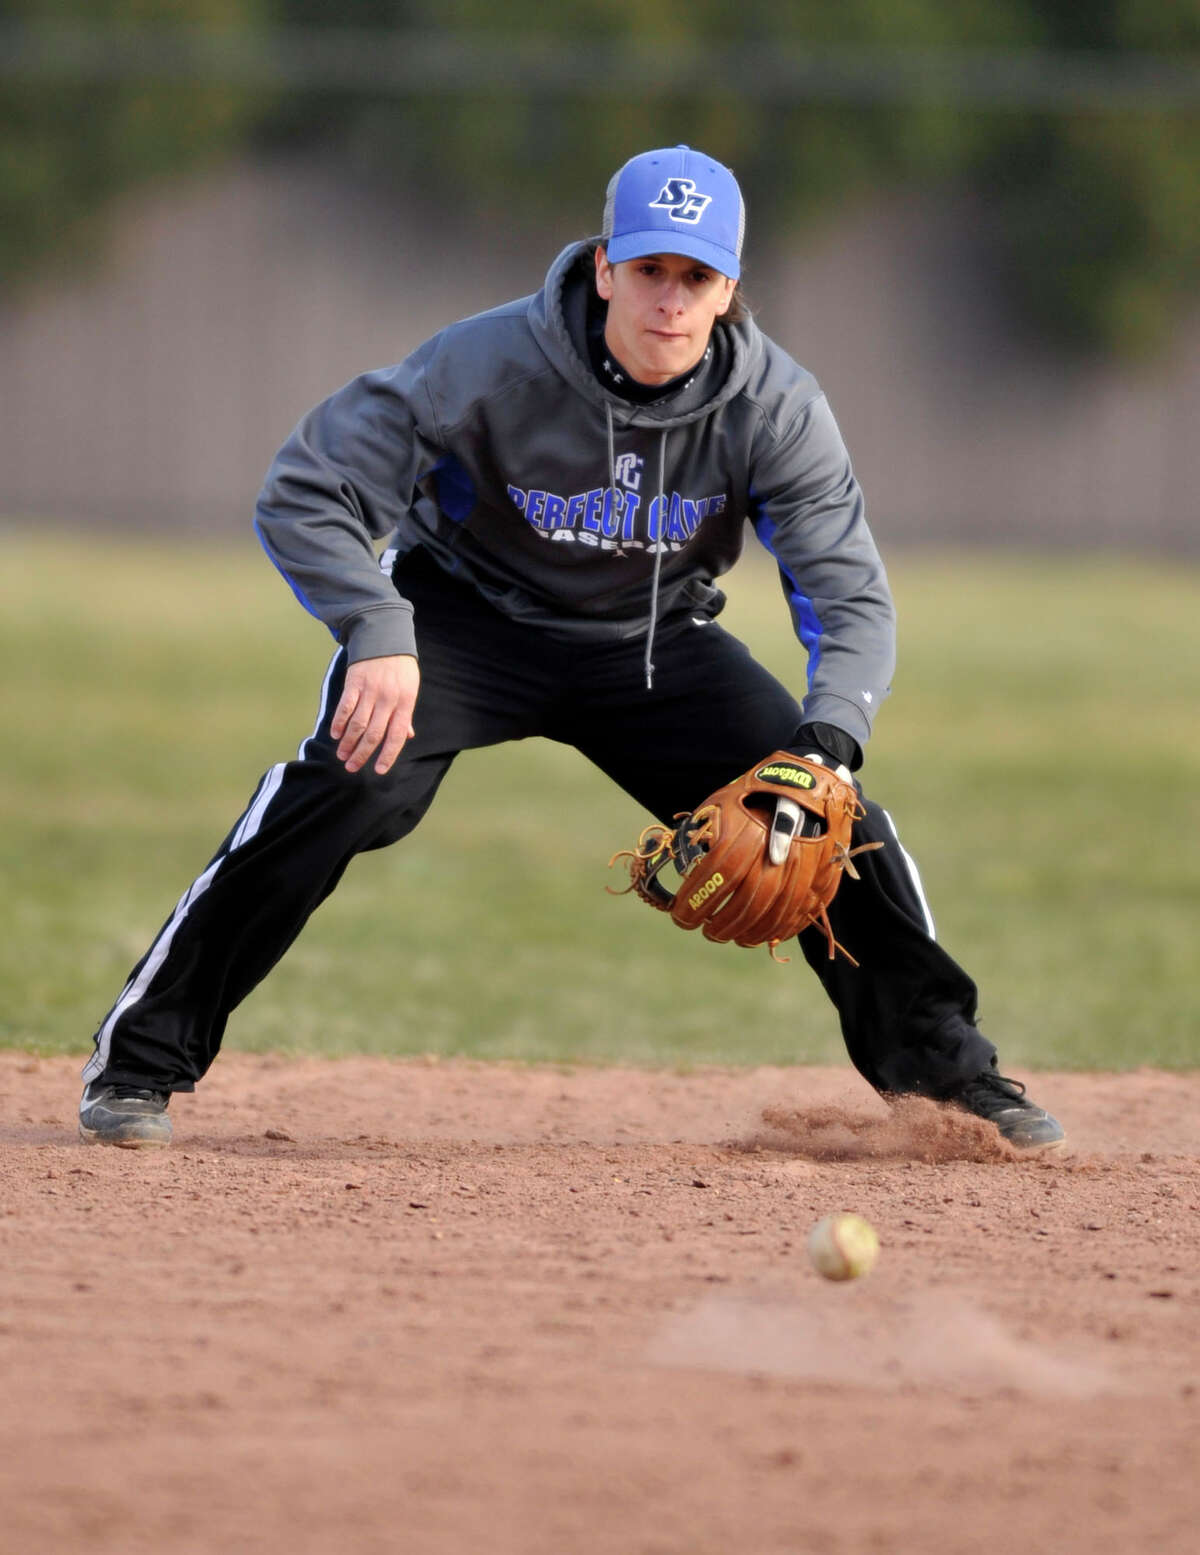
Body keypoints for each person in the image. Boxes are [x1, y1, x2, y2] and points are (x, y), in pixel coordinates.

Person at [79, 145, 1064, 1152]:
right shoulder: (485, 364)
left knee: (820, 823)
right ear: (604, 268)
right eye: (649, 270)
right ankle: (140, 1064)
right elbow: (307, 489)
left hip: (652, 646)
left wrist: (827, 745)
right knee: (349, 784)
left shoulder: (775, 407)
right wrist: (377, 627)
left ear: (730, 290)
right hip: (463, 621)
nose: (670, 300)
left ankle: (951, 1080)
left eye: (696, 277)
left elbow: (847, 594)